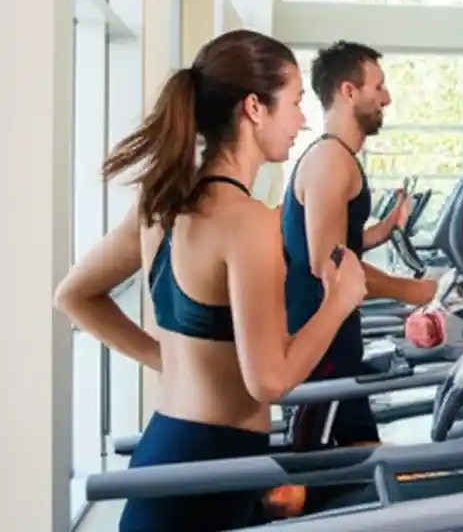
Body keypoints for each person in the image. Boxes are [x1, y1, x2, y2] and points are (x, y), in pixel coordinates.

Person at [53, 30, 368, 531]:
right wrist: (340, 300)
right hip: (211, 462)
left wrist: (164, 358)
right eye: (294, 103)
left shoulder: (161, 204)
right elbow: (268, 379)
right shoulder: (247, 222)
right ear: (254, 108)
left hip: (174, 445)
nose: (302, 120)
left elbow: (74, 295)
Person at [281, 41, 440, 456]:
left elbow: (337, 242)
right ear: (348, 91)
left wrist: (383, 230)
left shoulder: (334, 157)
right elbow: (329, 265)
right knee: (331, 463)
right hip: (324, 346)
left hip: (333, 339)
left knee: (359, 453)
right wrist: (414, 292)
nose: (386, 97)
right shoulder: (332, 160)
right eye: (378, 87)